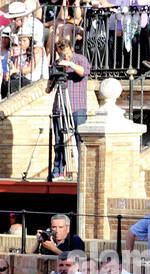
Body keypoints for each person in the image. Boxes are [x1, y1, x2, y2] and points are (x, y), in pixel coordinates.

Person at [45, 38, 87, 181]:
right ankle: (57, 172)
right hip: (60, 108)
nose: (66, 57)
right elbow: (48, 89)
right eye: (63, 55)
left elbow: (83, 72)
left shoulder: (80, 59)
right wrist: (53, 76)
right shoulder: (57, 64)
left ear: (71, 50)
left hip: (77, 107)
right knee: (59, 141)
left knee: (79, 139)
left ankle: (83, 171)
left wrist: (70, 64)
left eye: (68, 54)